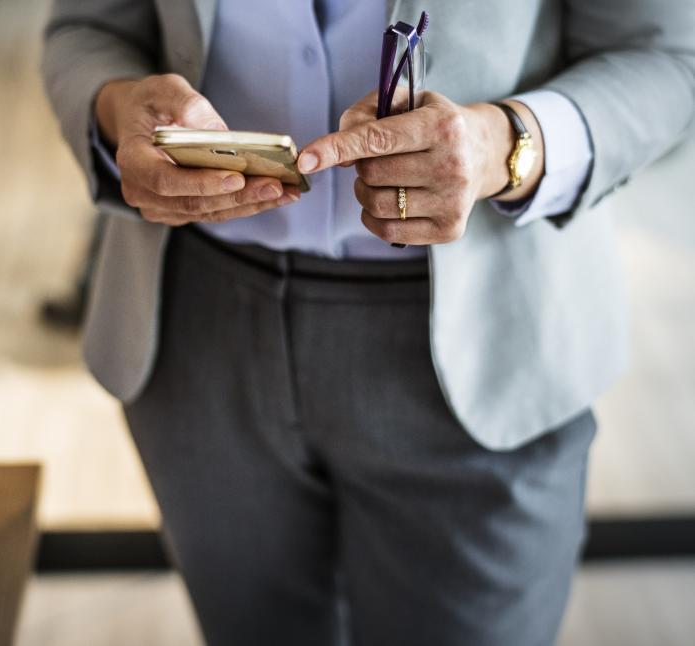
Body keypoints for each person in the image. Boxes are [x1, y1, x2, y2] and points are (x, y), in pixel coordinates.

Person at [42, 1, 694, 644]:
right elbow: (86, 30)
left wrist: (504, 145)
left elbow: (669, 60)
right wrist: (116, 107)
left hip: (485, 346)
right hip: (198, 332)